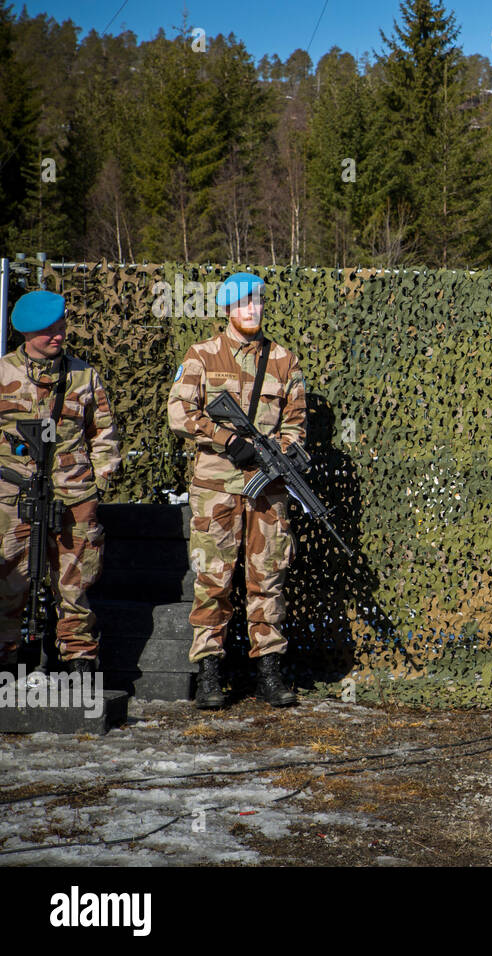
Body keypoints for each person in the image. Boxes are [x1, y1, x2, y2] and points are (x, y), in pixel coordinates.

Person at [167, 272, 305, 710]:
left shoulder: (285, 360)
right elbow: (178, 413)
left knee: (268, 579)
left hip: (268, 490)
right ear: (226, 309)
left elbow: (296, 425)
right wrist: (226, 440)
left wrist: (278, 454)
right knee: (213, 580)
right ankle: (210, 672)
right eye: (243, 303)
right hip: (216, 489)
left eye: (258, 302)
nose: (252, 310)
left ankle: (269, 670)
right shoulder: (203, 356)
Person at [0, 290, 121, 673]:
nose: (57, 336)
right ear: (25, 334)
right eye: (46, 331)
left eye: (60, 327)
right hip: (12, 498)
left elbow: (104, 433)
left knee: (74, 586)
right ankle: (6, 660)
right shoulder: (4, 374)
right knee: (8, 586)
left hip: (74, 497)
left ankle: (80, 662)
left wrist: (98, 482)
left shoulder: (83, 375)